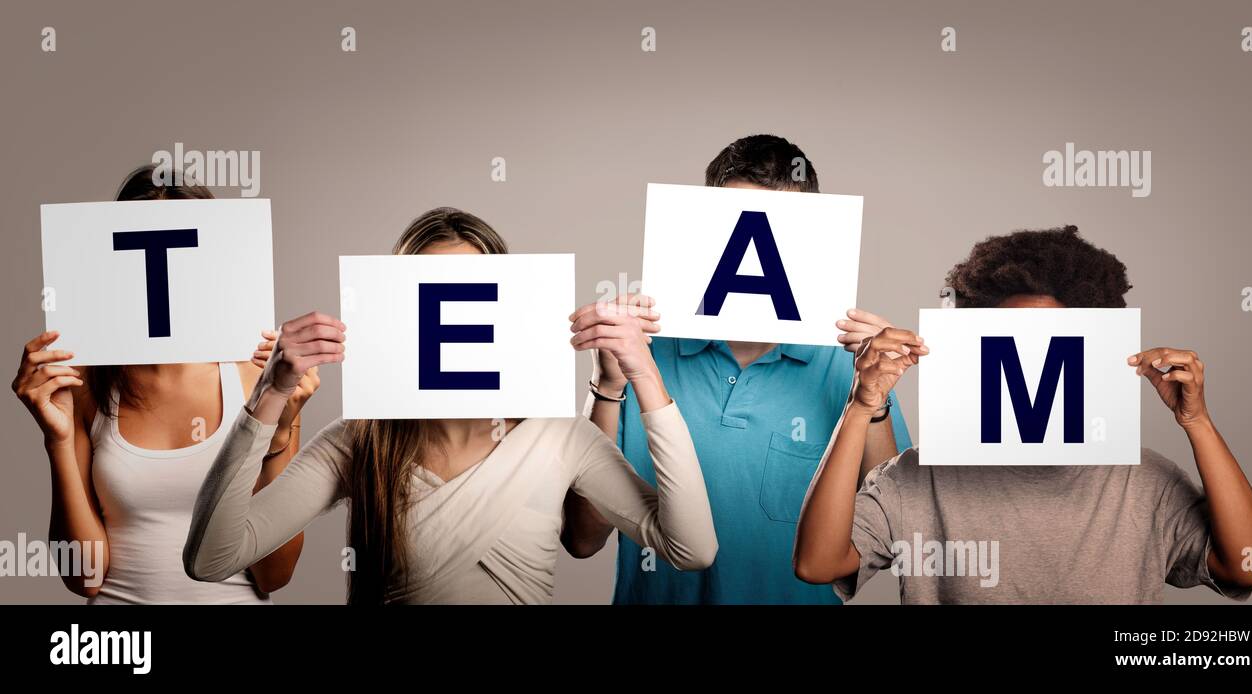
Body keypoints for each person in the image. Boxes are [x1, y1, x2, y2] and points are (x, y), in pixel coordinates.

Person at [183, 207, 717, 604]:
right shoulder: (359, 440)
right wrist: (268, 394)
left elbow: (692, 548)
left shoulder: (559, 436)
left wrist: (642, 372)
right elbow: (211, 559)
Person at [793, 225, 1252, 603]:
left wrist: (1197, 422)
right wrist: (862, 406)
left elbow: (1250, 568)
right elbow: (818, 564)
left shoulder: (1145, 481)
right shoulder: (919, 478)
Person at [561, 135, 912, 604]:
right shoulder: (644, 357)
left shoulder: (851, 366)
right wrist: (608, 386)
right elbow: (583, 540)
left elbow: (897, 531)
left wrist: (873, 394)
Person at [11, 166, 314, 604]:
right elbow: (85, 578)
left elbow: (273, 574)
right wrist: (56, 440)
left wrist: (280, 434)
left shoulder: (261, 383)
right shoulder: (87, 387)